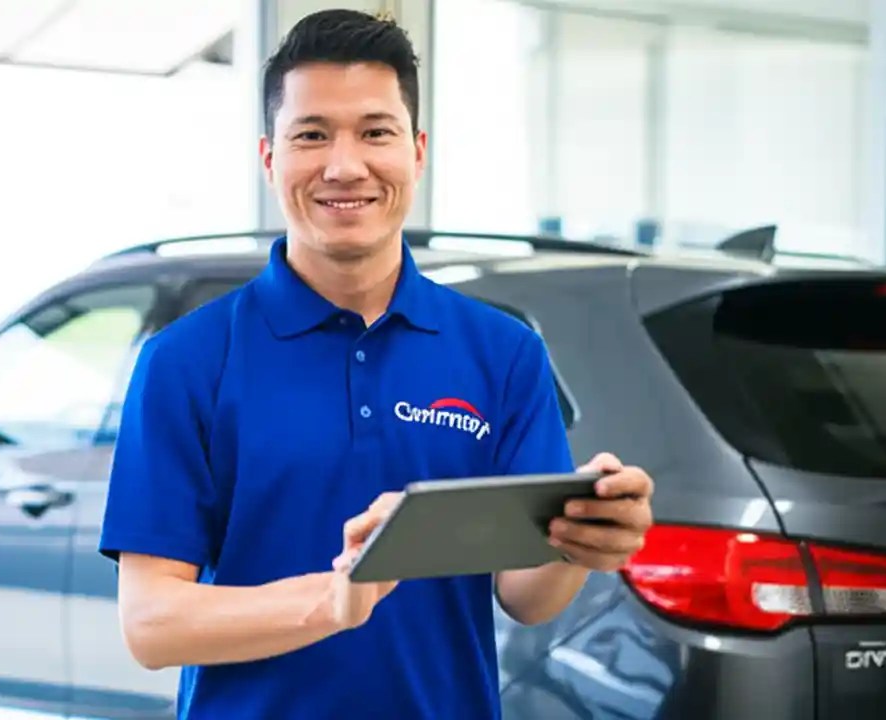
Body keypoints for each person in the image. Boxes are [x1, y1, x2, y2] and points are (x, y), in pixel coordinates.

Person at [97, 8, 655, 719]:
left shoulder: (502, 352)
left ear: (417, 151)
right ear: (270, 158)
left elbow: (526, 595)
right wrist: (329, 602)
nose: (343, 165)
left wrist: (583, 541)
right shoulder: (186, 361)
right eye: (311, 135)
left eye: (375, 132)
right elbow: (151, 624)